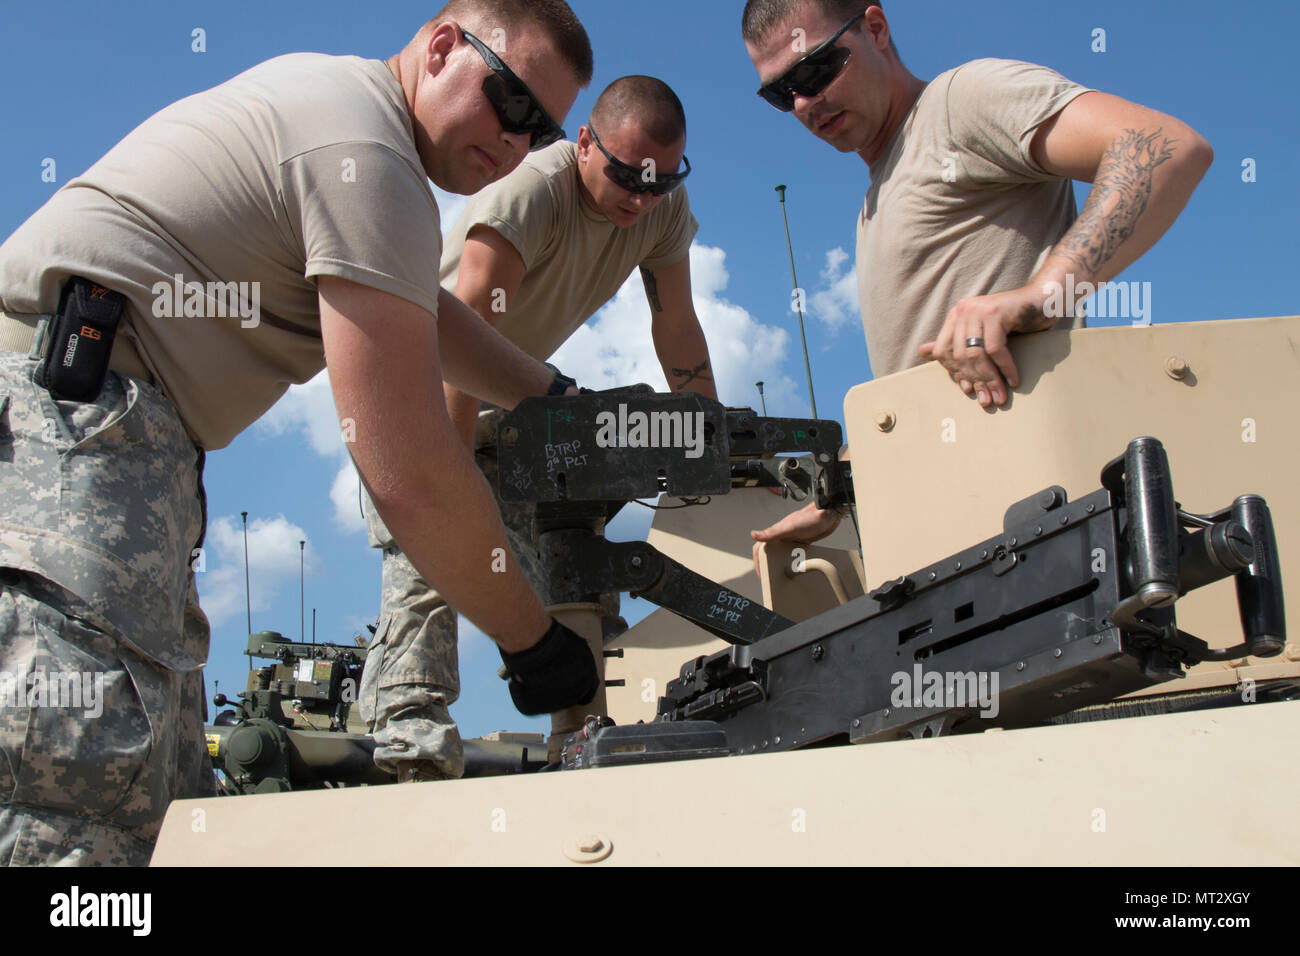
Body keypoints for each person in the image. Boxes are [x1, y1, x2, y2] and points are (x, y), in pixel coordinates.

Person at [0, 0, 597, 866]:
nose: (516, 145)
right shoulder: (369, 159)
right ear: (441, 49)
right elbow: (410, 468)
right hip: (69, 434)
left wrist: (554, 395)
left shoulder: (349, 119)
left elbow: (418, 310)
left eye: (541, 132)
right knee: (71, 819)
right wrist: (531, 639)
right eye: (511, 103)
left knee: (152, 820)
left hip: (102, 442)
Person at [741, 0, 1212, 550]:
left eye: (816, 68)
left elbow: (1164, 147)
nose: (803, 102)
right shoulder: (876, 201)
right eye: (781, 93)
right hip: (949, 542)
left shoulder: (958, 103)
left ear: (875, 28)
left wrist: (1046, 293)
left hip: (1032, 525)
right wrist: (836, 494)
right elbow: (918, 384)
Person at [359, 75, 717, 779]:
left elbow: (675, 323)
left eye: (662, 182)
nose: (642, 199)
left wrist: (710, 442)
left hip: (515, 406)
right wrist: (448, 475)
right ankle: (410, 744)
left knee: (573, 548)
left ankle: (581, 737)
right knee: (429, 564)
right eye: (626, 177)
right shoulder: (531, 192)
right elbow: (461, 339)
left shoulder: (660, 208)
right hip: (418, 387)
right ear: (583, 143)